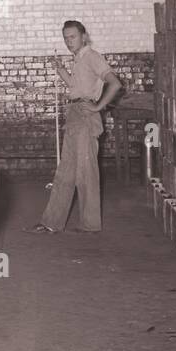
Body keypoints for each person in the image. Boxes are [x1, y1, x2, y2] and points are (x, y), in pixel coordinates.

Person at [27, 20, 122, 233]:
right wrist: (62, 71)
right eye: (66, 38)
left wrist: (98, 107)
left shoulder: (92, 57)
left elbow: (115, 83)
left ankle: (90, 225)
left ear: (84, 37)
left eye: (73, 37)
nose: (69, 42)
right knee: (65, 172)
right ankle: (51, 223)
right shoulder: (79, 59)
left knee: (86, 171)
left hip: (86, 117)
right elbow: (76, 87)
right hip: (75, 115)